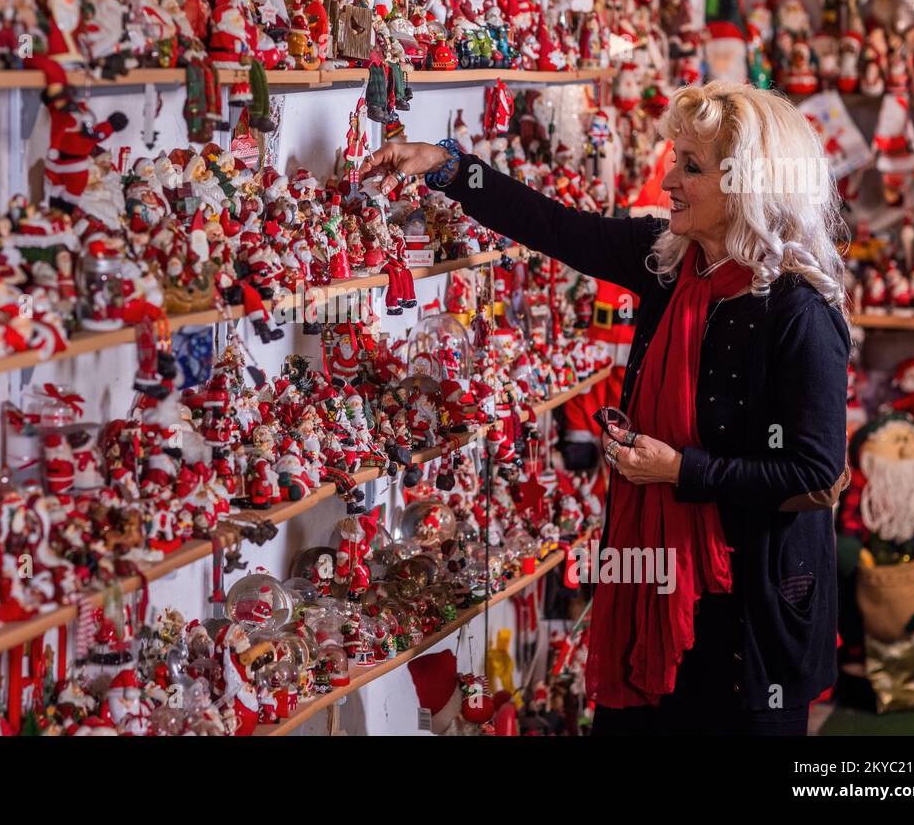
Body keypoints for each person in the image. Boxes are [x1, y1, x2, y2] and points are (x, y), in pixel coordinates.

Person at [360, 81, 851, 735]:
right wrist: (449, 166)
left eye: (691, 166)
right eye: (675, 158)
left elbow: (815, 476)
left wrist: (683, 469)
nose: (669, 179)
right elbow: (556, 227)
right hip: (652, 602)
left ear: (748, 186)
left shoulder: (798, 311)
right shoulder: (672, 263)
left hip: (747, 626)